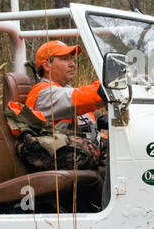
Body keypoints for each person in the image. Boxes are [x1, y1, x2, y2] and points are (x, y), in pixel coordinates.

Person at [10, 40, 108, 172]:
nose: (72, 64)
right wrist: (108, 86)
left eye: (72, 59)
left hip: (83, 150)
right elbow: (79, 98)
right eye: (65, 59)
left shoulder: (65, 90)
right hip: (59, 156)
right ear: (46, 65)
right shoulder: (44, 93)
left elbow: (86, 110)